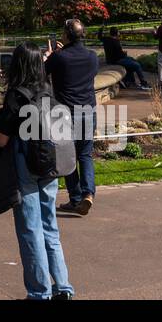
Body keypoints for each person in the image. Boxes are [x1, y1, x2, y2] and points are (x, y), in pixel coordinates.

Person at [0, 43, 74, 300]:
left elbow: (2, 140)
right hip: (50, 165)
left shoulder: (17, 96)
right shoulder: (47, 90)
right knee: (49, 225)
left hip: (25, 164)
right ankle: (63, 286)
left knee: (30, 229)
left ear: (17, 64)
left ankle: (39, 293)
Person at [46, 19, 97, 217]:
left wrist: (52, 55)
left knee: (67, 157)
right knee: (85, 154)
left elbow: (41, 73)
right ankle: (88, 194)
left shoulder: (59, 57)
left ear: (67, 35)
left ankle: (75, 198)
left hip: (65, 113)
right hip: (88, 111)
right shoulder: (92, 56)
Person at [99, 27, 150, 92]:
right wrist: (124, 54)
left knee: (132, 60)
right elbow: (120, 55)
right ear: (117, 33)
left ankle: (130, 81)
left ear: (110, 33)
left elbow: (99, 37)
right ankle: (144, 83)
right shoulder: (116, 42)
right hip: (117, 60)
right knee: (137, 65)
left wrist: (101, 29)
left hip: (110, 59)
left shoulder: (106, 39)